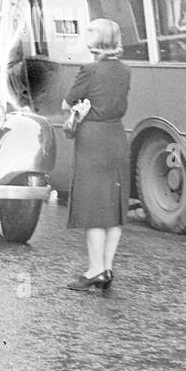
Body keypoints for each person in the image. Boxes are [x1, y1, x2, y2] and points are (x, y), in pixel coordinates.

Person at [62, 18, 131, 292]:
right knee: (113, 209)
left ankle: (94, 270)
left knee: (92, 209)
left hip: (93, 142)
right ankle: (107, 267)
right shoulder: (125, 70)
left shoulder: (89, 70)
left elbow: (66, 102)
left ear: (96, 40)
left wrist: (79, 106)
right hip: (116, 138)